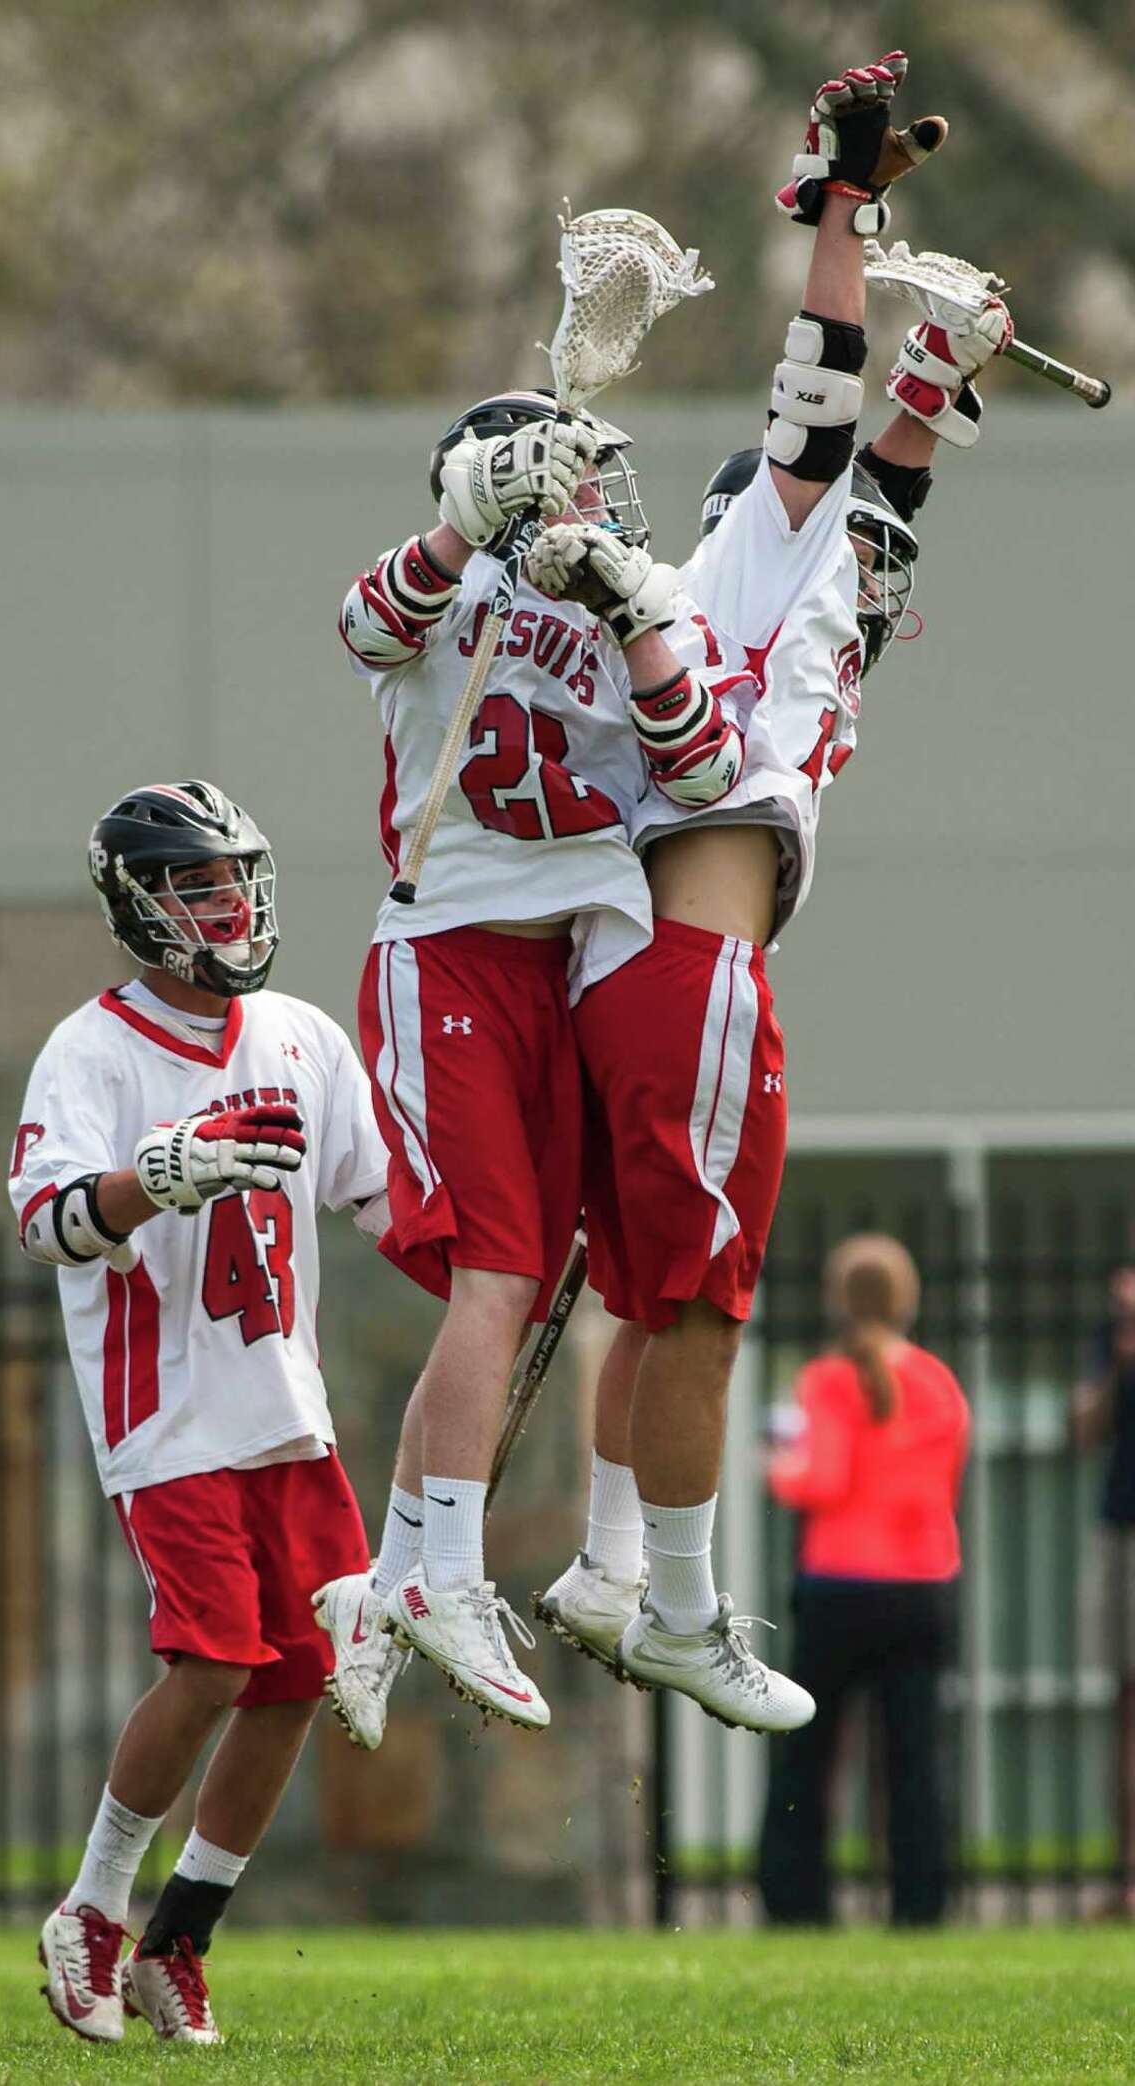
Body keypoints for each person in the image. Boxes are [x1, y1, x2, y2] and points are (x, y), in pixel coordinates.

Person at [535, 100, 1012, 1694]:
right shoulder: (757, 543)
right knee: (712, 1312)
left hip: (643, 967)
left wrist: (940, 383)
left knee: (659, 1300)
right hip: (694, 967)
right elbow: (822, 419)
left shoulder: (801, 607)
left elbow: (886, 508)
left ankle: (612, 1568)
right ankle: (681, 1608)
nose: (874, 567)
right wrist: (842, 215)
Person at [314, 355, 774, 1737]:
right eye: (567, 474)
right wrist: (463, 522)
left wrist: (634, 613)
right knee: (499, 1275)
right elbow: (361, 621)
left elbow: (700, 772)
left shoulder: (632, 599)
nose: (596, 496)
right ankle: (441, 1577)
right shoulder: (446, 585)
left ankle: (394, 1577)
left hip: (572, 963)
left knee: (538, 1276)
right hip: (450, 947)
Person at [9, 780, 388, 2045]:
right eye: (198, 886)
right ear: (141, 904)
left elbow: (386, 1201)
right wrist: (149, 1179)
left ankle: (182, 1940)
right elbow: (45, 1218)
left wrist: (519, 1247)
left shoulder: (300, 1034)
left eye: (238, 880)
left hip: (287, 1406)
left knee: (298, 1677)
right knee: (216, 1658)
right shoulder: (95, 1047)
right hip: (166, 1412)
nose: (228, 907)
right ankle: (95, 1908)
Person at [757, 1235, 971, 1926]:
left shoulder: (827, 1380)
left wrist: (775, 1465)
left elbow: (819, 1479)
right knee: (914, 1758)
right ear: (906, 1301)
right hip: (922, 1587)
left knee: (810, 1756)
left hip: (840, 1586)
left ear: (838, 1302)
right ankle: (919, 1903)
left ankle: (797, 1904)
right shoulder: (940, 1382)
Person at [1072, 1261, 1135, 1914]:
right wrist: (1121, 1359)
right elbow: (1083, 1429)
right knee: (1127, 1707)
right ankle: (1128, 1874)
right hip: (1123, 1534)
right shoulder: (1111, 1337)